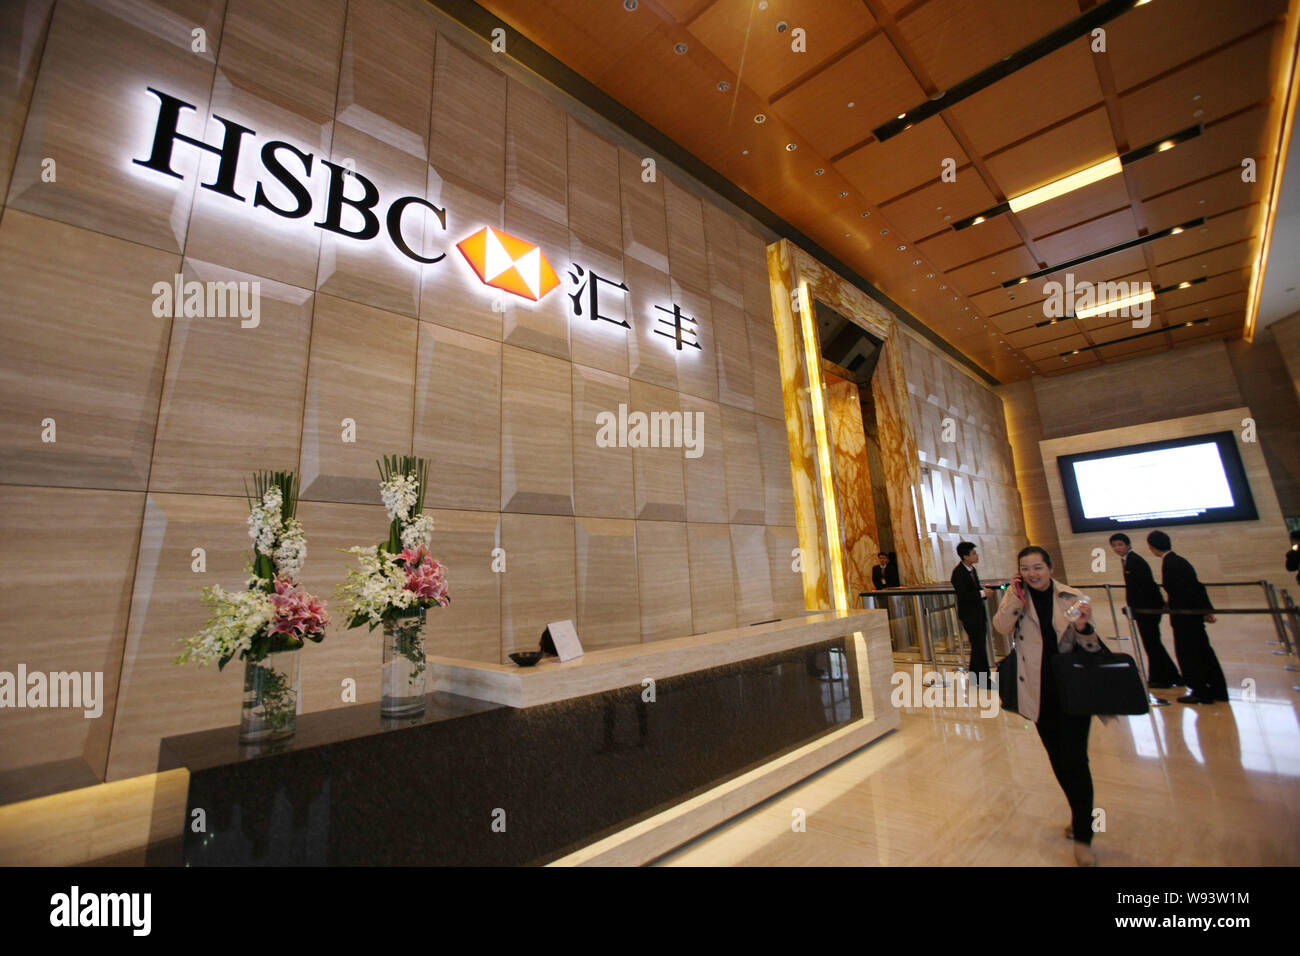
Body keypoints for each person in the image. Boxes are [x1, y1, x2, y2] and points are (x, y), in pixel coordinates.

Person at [993, 545, 1106, 866]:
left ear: (1050, 568)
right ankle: (1077, 813)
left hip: (1071, 692)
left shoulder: (1072, 598)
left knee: (1076, 760)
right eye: (1025, 568)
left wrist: (1084, 628)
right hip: (1038, 693)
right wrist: (1015, 598)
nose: (1032, 574)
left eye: (1038, 567)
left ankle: (1083, 837)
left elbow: (1091, 647)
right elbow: (1001, 627)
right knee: (1057, 758)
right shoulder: (1017, 597)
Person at [1146, 530, 1228, 705]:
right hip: (1191, 616)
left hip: (1185, 618)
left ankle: (1201, 691)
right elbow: (1197, 587)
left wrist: (1200, 611)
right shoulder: (1178, 561)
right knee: (1204, 652)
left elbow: (1183, 591)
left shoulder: (1170, 563)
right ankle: (1218, 690)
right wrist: (1205, 610)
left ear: (1152, 547)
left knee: (1190, 655)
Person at [1108, 532, 1182, 688]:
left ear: (1128, 545)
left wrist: (1143, 607)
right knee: (1153, 643)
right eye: (1114, 545)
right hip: (1142, 608)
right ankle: (1172, 675)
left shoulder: (1135, 561)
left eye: (1120, 544)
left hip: (1147, 609)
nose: (1117, 548)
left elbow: (1146, 586)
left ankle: (1160, 678)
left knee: (1152, 644)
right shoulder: (1127, 560)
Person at [951, 542, 995, 683]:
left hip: (978, 613)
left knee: (978, 646)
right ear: (965, 556)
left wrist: (983, 592)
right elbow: (963, 595)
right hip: (969, 615)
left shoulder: (972, 570)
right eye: (973, 553)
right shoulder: (958, 573)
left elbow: (974, 589)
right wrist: (982, 593)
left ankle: (976, 677)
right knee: (978, 646)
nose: (976, 555)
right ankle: (983, 679)